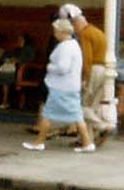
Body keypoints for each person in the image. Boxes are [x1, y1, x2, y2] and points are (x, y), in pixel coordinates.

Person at [23, 18, 95, 152]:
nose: (54, 33)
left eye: (56, 31)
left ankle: (39, 142)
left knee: (48, 114)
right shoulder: (74, 45)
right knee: (75, 115)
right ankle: (87, 142)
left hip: (61, 87)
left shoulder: (65, 47)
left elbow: (62, 68)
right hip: (70, 86)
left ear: (62, 32)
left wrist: (50, 67)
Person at [61, 3, 114, 146]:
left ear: (76, 22)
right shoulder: (97, 31)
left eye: (73, 25)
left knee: (81, 106)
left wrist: (84, 77)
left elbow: (87, 58)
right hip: (103, 70)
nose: (73, 30)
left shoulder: (85, 34)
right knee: (92, 106)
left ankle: (103, 126)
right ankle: (86, 139)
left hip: (94, 70)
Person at [0, 33, 36, 109]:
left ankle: (5, 102)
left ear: (25, 40)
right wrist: (7, 59)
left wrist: (17, 60)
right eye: (18, 40)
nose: (19, 41)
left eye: (21, 40)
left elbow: (30, 60)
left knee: (6, 80)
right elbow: (4, 57)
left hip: (21, 71)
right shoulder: (16, 49)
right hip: (7, 69)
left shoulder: (30, 49)